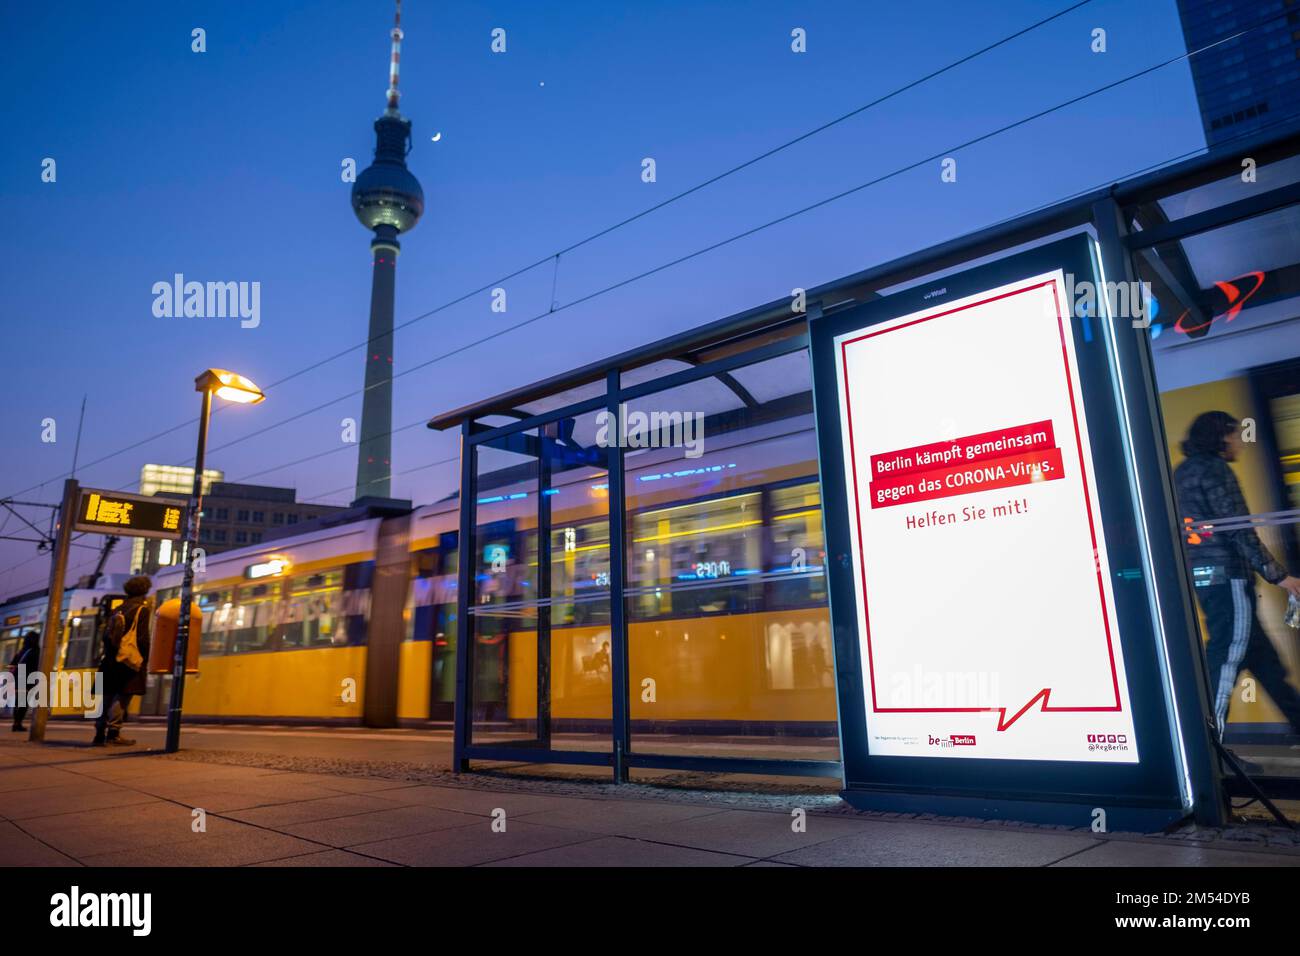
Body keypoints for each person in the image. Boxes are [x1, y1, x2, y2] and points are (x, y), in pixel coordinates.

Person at [1173, 411, 1300, 739]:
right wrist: (1280, 576)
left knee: (1265, 664)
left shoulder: (1182, 472)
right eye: (1234, 436)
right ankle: (1208, 745)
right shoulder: (1215, 470)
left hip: (1205, 576)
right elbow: (1238, 530)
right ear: (1220, 437)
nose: (1239, 444)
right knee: (1227, 657)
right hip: (1228, 577)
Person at [92, 576, 153, 747]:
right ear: (144, 592)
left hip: (110, 659)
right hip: (127, 660)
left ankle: (98, 732)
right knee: (123, 695)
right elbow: (142, 639)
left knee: (107, 695)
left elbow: (106, 636)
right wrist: (144, 660)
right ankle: (113, 733)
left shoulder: (117, 610)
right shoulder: (141, 610)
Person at [9, 631, 41, 732]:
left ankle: (16, 723)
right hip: (28, 678)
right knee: (24, 703)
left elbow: (12, 664)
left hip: (19, 677)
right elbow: (37, 666)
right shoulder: (36, 651)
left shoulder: (21, 651)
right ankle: (17, 724)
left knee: (18, 702)